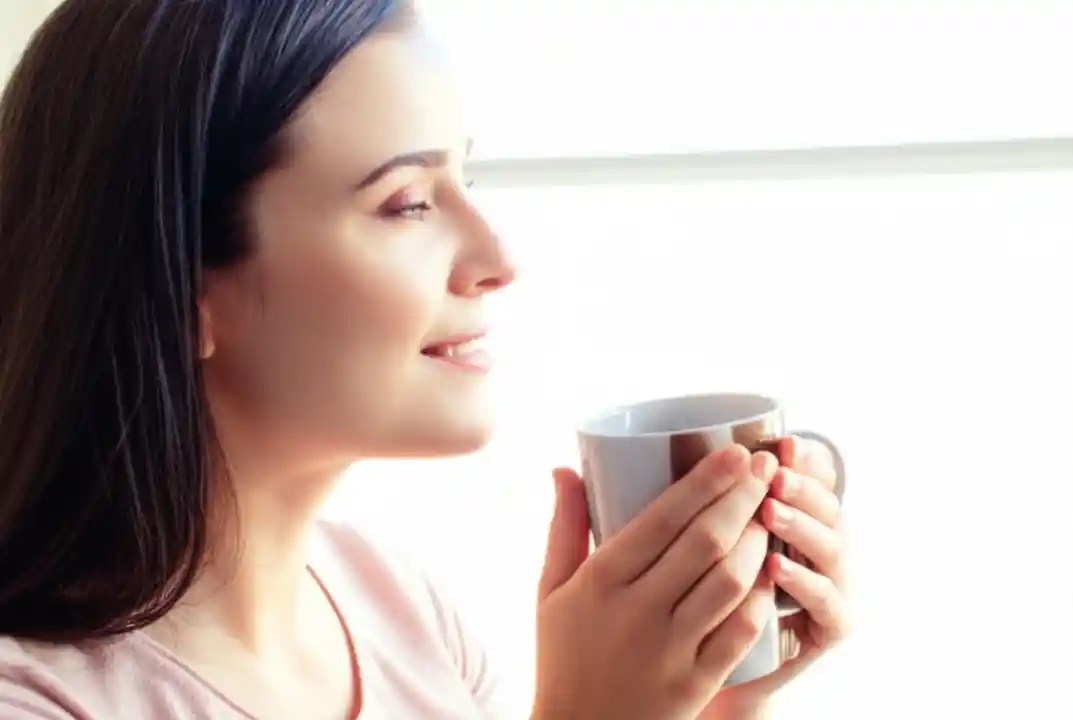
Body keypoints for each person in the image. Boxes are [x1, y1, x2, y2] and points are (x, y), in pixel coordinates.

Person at [0, 1, 850, 718]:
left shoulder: (400, 611)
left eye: (465, 186)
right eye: (406, 204)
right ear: (184, 290)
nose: (496, 256)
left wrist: (700, 699)